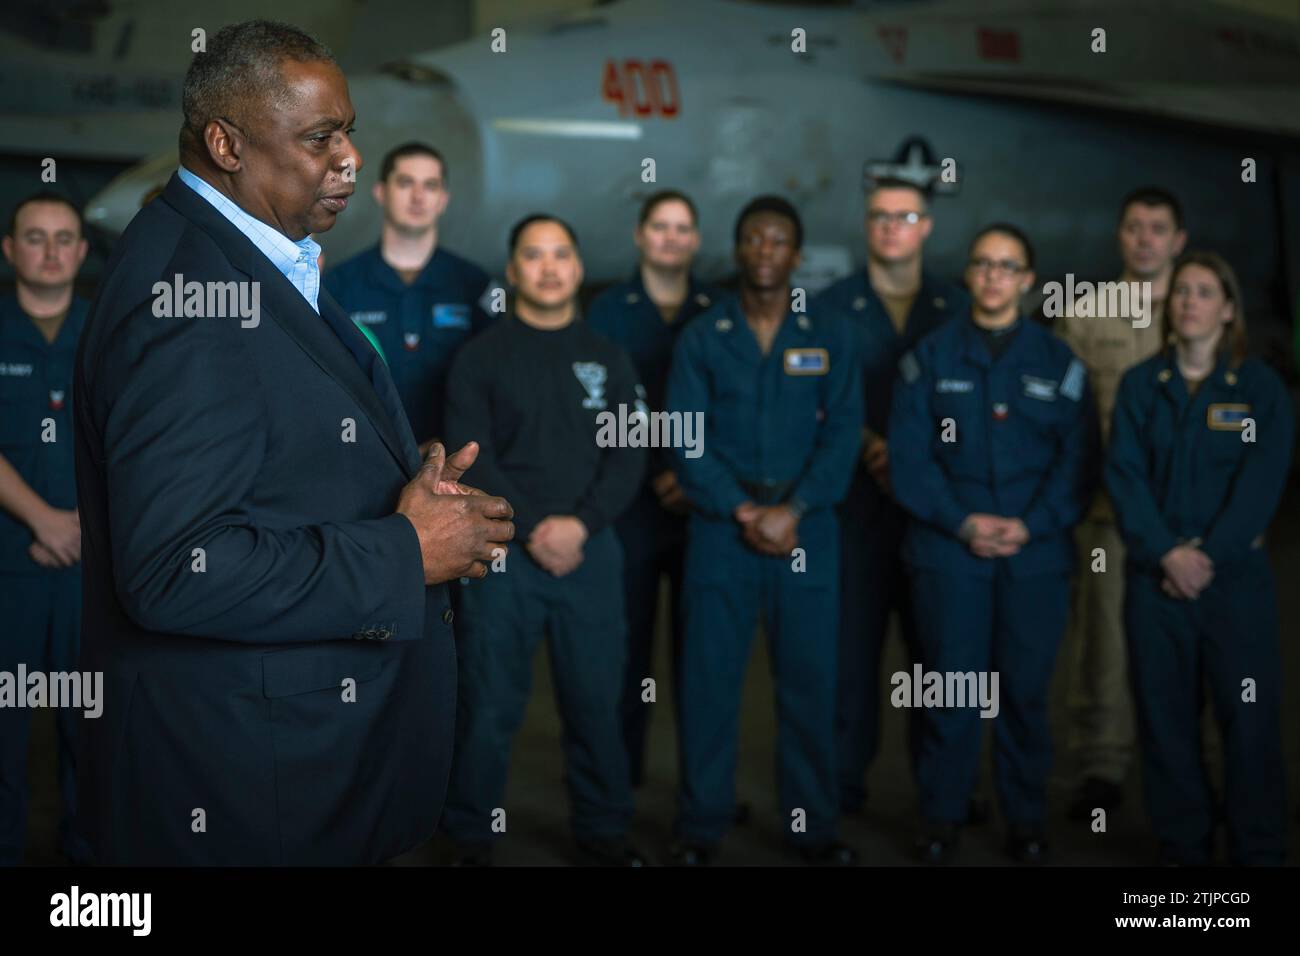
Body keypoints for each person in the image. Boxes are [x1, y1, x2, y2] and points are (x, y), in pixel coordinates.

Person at [72, 19, 513, 865]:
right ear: (226, 143)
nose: (349, 159)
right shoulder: (190, 301)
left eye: (348, 131)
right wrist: (404, 548)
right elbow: (174, 569)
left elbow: (272, 460)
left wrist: (397, 483)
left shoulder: (255, 257)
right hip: (244, 782)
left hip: (290, 759)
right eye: (320, 138)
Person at [440, 215, 648, 867]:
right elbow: (473, 458)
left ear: (580, 269)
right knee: (490, 706)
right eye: (534, 255)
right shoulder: (479, 359)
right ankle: (470, 837)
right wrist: (532, 529)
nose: (549, 266)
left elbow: (628, 457)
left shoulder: (611, 360)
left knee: (595, 705)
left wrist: (579, 526)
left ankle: (603, 829)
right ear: (513, 271)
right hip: (503, 555)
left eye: (562, 254)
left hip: (591, 553)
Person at [889, 224, 1096, 865]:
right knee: (950, 690)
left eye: (1008, 266)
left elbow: (1079, 461)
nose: (994, 276)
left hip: (1034, 553)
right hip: (949, 549)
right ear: (969, 274)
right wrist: (961, 523)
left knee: (1023, 693)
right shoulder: (929, 358)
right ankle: (942, 816)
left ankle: (1025, 818)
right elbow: (908, 459)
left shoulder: (1059, 365)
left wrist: (1033, 524)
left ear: (1028, 280)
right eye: (983, 263)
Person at [666, 196, 862, 866]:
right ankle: (701, 826)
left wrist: (796, 508)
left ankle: (812, 828)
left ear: (797, 255)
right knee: (708, 685)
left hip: (808, 532)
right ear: (739, 248)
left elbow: (842, 436)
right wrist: (743, 510)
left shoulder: (830, 333)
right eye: (753, 239)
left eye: (779, 241)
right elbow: (686, 439)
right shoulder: (704, 335)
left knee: (810, 685)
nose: (765, 251)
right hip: (723, 532)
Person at [1107, 251, 1292, 866]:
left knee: (1249, 719)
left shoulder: (1259, 391)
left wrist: (1206, 556)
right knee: (1165, 722)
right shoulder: (1140, 386)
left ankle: (1257, 848)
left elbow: (1261, 486)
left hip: (1234, 583)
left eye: (1205, 292)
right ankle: (1183, 846)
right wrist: (1165, 552)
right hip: (1155, 584)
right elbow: (1125, 479)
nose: (1189, 302)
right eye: (1181, 291)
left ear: (1229, 309)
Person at [813, 176, 969, 815]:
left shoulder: (956, 307)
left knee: (942, 663)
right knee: (852, 661)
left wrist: (911, 458)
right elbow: (814, 404)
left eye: (905, 216)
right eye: (879, 216)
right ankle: (842, 791)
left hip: (937, 512)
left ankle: (944, 797)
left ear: (927, 226)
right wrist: (868, 444)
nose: (891, 227)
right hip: (858, 510)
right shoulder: (829, 308)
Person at [1057, 187, 1187, 819]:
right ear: (1120, 237)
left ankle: (1189, 765)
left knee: (1184, 646)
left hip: (1186, 523)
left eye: (1157, 229)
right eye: (1133, 227)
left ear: (1177, 241)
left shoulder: (1200, 309)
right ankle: (1101, 766)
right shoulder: (1087, 315)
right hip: (1108, 519)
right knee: (1102, 645)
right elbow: (1063, 418)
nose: (1144, 239)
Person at [585, 189, 721, 788]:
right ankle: (619, 785)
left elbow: (730, 414)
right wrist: (654, 474)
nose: (671, 237)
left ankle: (703, 794)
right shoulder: (607, 311)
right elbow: (593, 412)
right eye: (659, 226)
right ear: (640, 236)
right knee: (624, 655)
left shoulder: (717, 310)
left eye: (682, 228)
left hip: (704, 509)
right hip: (629, 507)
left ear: (695, 240)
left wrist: (692, 476)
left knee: (703, 661)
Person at [0, 192, 91, 865]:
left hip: (91, 565)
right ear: (10, 250)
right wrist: (42, 518)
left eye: (65, 239)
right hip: (10, 566)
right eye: (36, 237)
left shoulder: (106, 332)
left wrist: (87, 526)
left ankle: (88, 872)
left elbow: (137, 441)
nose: (52, 251)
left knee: (89, 728)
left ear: (82, 253)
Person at [324, 142, 492, 451]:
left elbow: (499, 382)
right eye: (405, 183)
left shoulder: (478, 287)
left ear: (443, 200)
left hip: (459, 462)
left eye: (430, 186)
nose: (418, 197)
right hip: (364, 457)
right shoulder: (335, 285)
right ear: (380, 192)